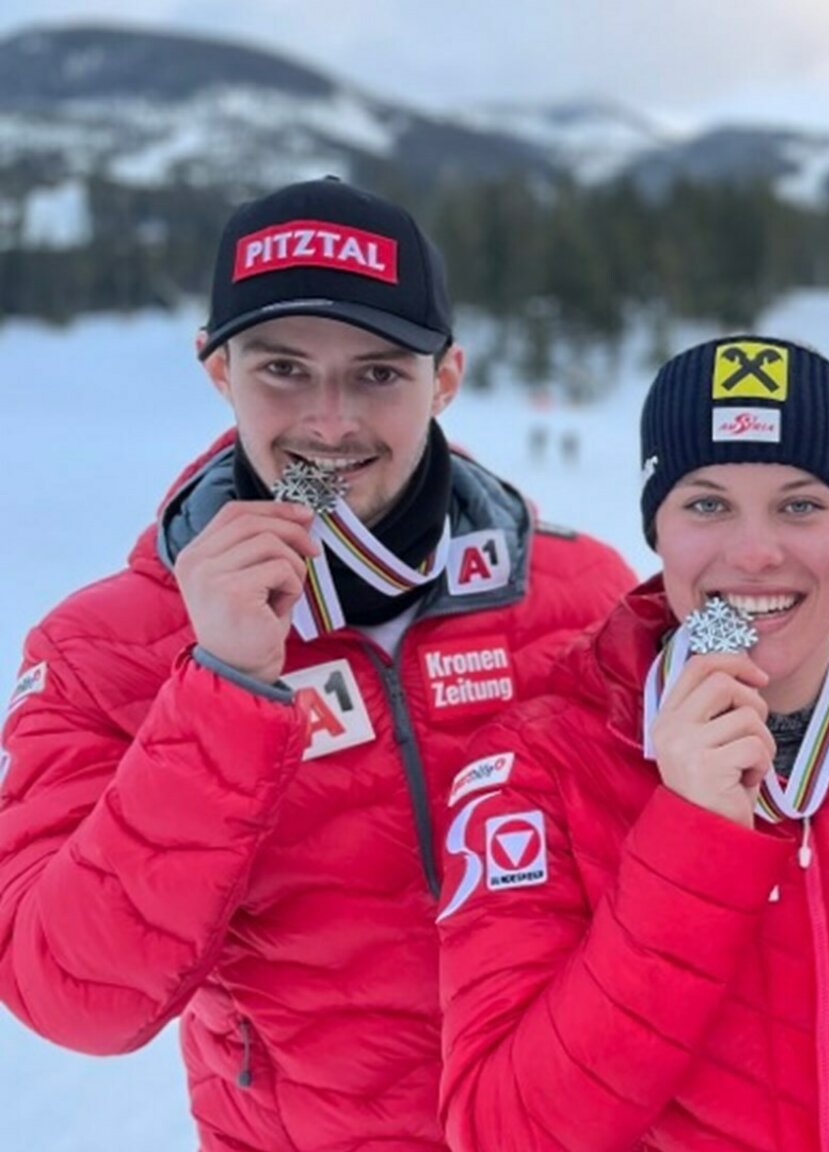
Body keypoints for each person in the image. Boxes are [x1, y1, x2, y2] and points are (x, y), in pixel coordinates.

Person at [0, 177, 636, 1150]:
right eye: (284, 369)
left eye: (378, 373)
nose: (329, 422)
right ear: (217, 371)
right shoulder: (103, 649)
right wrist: (222, 688)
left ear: (448, 377)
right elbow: (72, 997)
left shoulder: (576, 591)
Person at [435, 336, 829, 1151]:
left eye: (801, 504)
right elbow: (502, 1132)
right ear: (658, 530)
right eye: (707, 504)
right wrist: (689, 835)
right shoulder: (535, 765)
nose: (754, 553)